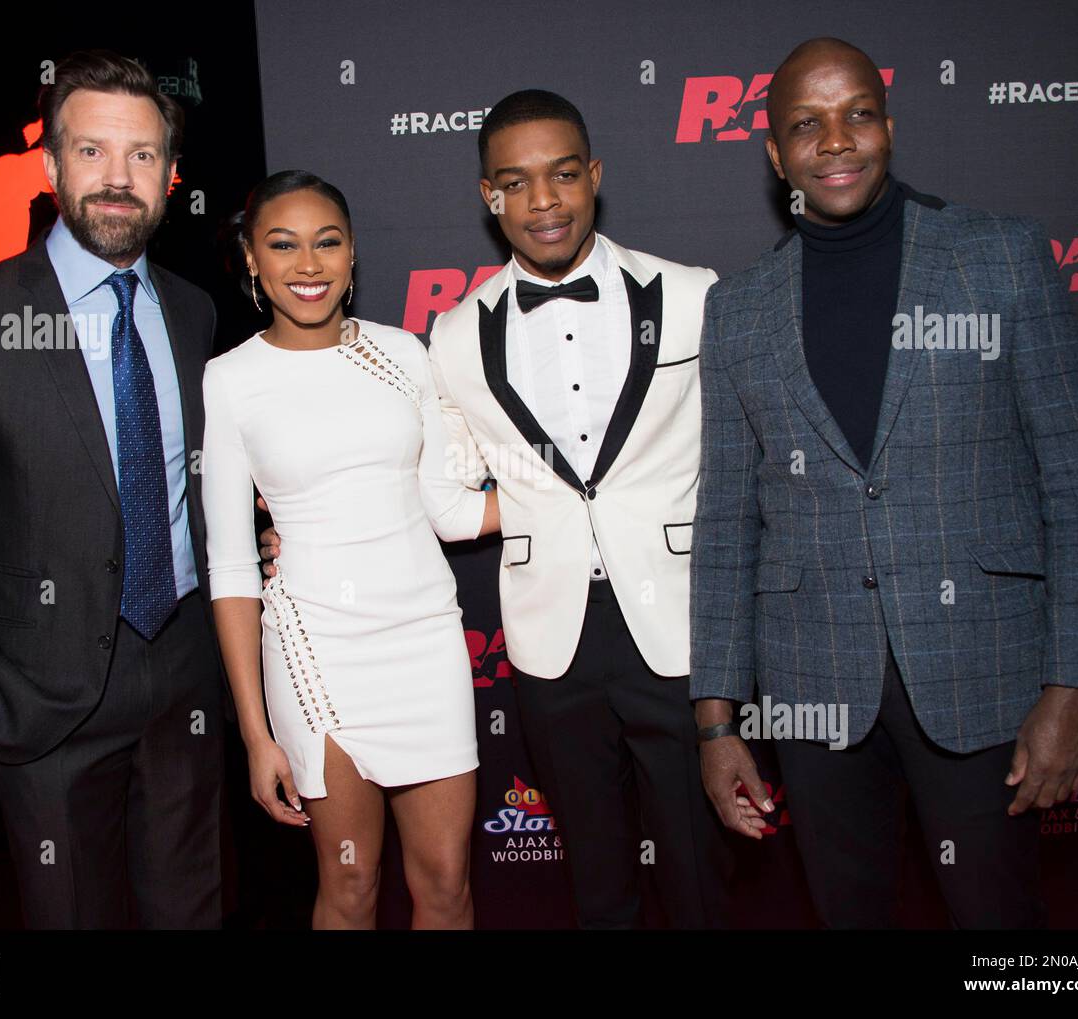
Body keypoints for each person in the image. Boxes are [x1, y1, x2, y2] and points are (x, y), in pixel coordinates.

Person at [265, 90, 730, 929]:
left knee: (698, 868)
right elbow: (442, 498)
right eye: (515, 183)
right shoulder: (452, 335)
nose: (542, 201)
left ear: (595, 177)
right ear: (489, 197)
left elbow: (742, 461)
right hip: (551, 636)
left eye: (561, 176)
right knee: (597, 878)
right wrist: (311, 527)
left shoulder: (695, 294)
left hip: (680, 620)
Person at [689, 37, 1078, 928]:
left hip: (985, 671)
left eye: (857, 113)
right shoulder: (738, 309)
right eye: (806, 124)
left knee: (1000, 928)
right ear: (776, 154)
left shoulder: (998, 257)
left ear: (889, 126)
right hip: (813, 688)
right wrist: (716, 720)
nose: (835, 140)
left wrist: (1074, 689)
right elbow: (729, 520)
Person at [0, 49, 225, 928]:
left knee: (192, 911)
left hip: (185, 675)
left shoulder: (194, 310)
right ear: (50, 165)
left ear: (172, 174)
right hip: (40, 699)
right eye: (92, 150)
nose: (118, 177)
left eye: (142, 155)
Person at [203, 171, 501, 930]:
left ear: (353, 254)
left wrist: (562, 502)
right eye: (283, 244)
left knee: (445, 881)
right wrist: (253, 733)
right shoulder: (230, 380)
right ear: (251, 260)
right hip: (316, 652)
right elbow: (234, 566)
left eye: (327, 242)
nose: (308, 264)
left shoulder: (402, 350)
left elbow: (448, 506)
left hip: (424, 637)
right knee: (352, 883)